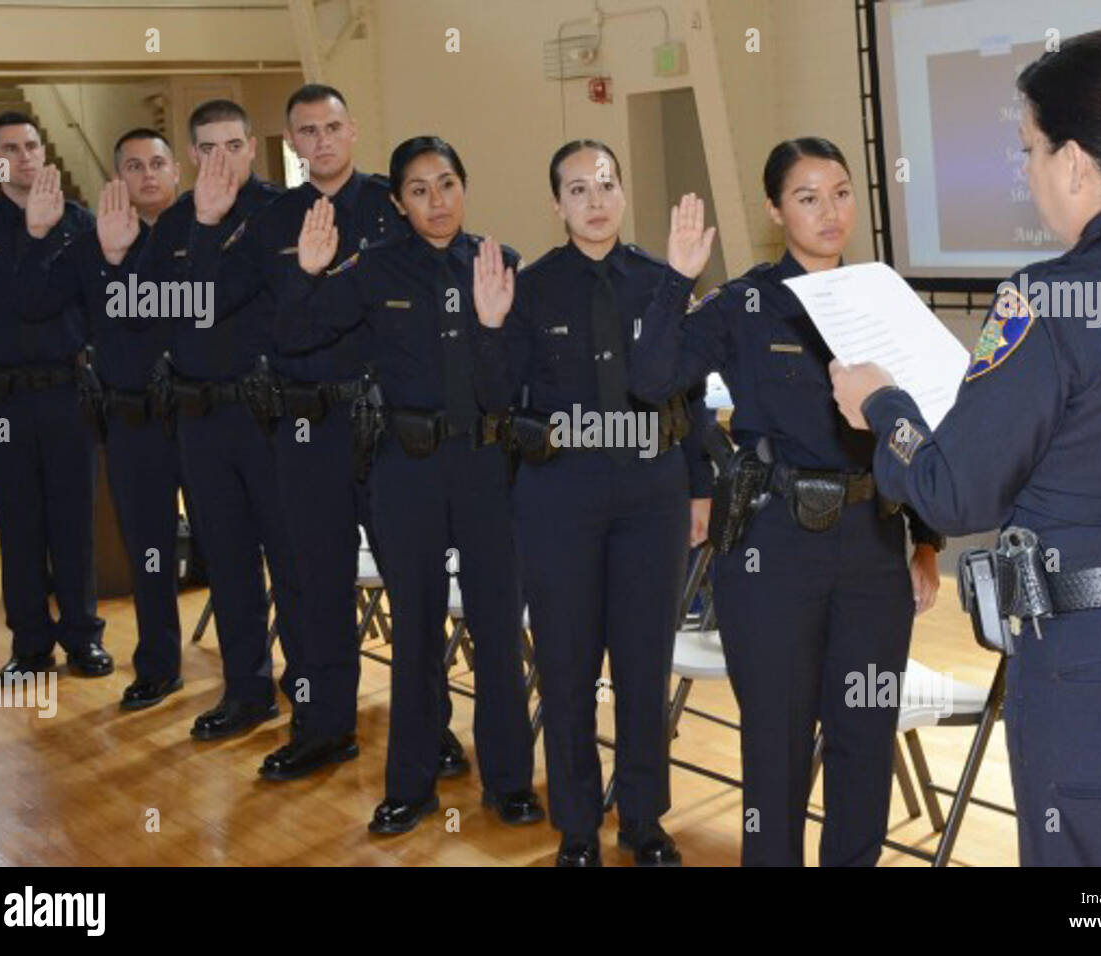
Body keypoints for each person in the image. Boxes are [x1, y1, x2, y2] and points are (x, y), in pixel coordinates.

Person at [830, 28, 1101, 866]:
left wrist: (882, 404)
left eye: (1027, 148)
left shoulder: (1048, 300)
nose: (1025, 173)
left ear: (1075, 162)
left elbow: (954, 491)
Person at [629, 138, 944, 866]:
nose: (829, 212)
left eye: (840, 193)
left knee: (863, 740)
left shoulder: (882, 296)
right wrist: (674, 280)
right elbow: (650, 381)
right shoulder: (744, 301)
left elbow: (922, 422)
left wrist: (925, 542)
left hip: (872, 545)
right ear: (775, 209)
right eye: (807, 197)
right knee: (775, 746)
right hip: (773, 549)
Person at [281, 135, 544, 831]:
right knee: (418, 632)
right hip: (408, 469)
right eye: (420, 190)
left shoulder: (500, 265)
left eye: (448, 183)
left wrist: (491, 327)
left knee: (496, 629)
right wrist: (307, 275)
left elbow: (508, 386)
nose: (437, 201)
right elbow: (295, 337)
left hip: (487, 469)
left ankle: (510, 781)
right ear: (398, 203)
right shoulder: (373, 272)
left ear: (465, 187)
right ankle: (411, 783)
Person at [473, 140, 714, 867]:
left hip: (652, 493)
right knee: (569, 664)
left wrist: (699, 482)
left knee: (643, 664)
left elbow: (687, 390)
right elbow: (494, 398)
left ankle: (644, 820)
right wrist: (487, 329)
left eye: (605, 184)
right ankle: (577, 826)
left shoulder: (660, 280)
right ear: (557, 204)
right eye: (577, 189)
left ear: (621, 191)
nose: (596, 199)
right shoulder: (532, 287)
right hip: (559, 496)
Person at [186, 85, 413, 779]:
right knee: (315, 589)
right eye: (306, 131)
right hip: (305, 425)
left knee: (412, 586)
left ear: (354, 130)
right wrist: (206, 225)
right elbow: (207, 303)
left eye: (332, 127)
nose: (321, 141)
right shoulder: (273, 218)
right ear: (290, 142)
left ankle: (426, 728)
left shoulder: (390, 208)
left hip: (383, 423)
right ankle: (324, 727)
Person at [99, 99, 303, 742]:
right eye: (208, 149)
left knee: (292, 559)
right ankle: (247, 691)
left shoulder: (282, 213)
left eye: (234, 145)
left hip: (268, 414)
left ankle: (311, 689)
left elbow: (252, 301)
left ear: (252, 146)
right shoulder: (174, 225)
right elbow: (148, 316)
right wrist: (117, 263)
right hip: (200, 418)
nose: (222, 159)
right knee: (230, 560)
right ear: (192, 156)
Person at [17, 128, 185, 708]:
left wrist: (120, 273)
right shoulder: (92, 242)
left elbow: (199, 307)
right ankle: (159, 665)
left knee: (236, 551)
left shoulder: (205, 233)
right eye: (133, 165)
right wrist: (40, 236)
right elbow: (36, 304)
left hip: (209, 417)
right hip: (135, 421)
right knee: (149, 550)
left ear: (176, 170)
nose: (147, 174)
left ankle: (252, 681)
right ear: (119, 178)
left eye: (158, 162)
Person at [0, 111, 109, 678]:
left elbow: (105, 305)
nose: (24, 156)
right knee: (19, 526)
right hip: (0, 402)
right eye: (10, 149)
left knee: (74, 522)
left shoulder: (80, 225)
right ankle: (30, 647)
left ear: (44, 154)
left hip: (66, 392)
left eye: (31, 146)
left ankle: (82, 638)